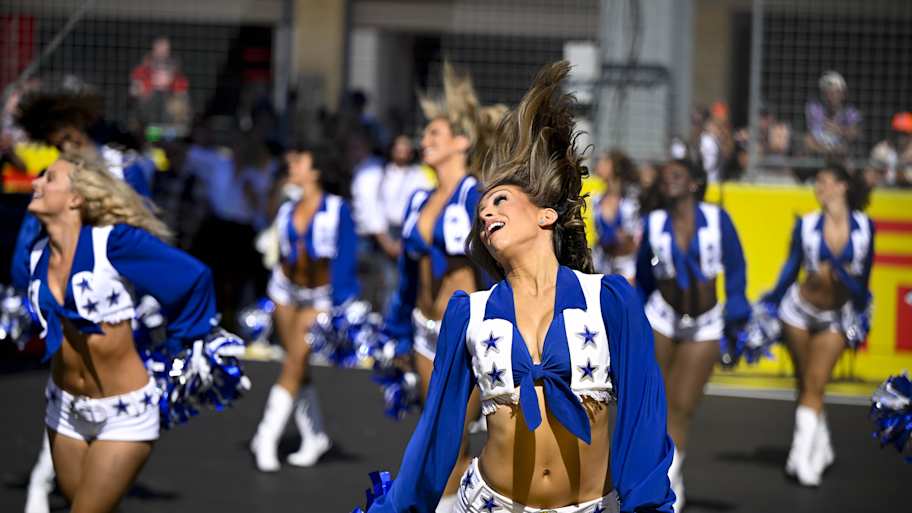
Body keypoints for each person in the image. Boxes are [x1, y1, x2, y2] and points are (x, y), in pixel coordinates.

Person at [361, 61, 673, 513]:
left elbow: (644, 420)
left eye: (499, 201)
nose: (486, 215)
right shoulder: (470, 313)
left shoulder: (608, 301)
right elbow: (436, 432)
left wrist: (648, 507)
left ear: (546, 215)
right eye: (481, 212)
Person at [24, 152, 218, 513]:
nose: (36, 183)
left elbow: (193, 278)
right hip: (63, 408)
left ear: (75, 198)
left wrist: (179, 348)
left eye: (48, 178)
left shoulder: (112, 243)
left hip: (124, 412)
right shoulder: (35, 254)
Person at [383, 62, 503, 511]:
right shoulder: (418, 197)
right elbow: (408, 276)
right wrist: (395, 330)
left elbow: (498, 268)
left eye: (435, 134)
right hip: (421, 330)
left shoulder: (477, 196)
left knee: (448, 446)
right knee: (435, 443)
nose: (425, 141)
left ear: (462, 142)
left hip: (463, 335)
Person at [635, 155, 749, 511]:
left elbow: (736, 266)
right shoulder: (653, 223)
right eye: (665, 175)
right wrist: (633, 323)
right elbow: (644, 277)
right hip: (662, 319)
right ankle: (654, 475)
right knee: (655, 404)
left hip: (706, 323)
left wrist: (737, 310)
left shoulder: (717, 220)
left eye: (677, 175)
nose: (669, 180)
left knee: (682, 406)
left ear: (694, 183)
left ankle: (671, 479)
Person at [759, 162, 874, 487]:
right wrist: (769, 301)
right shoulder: (807, 225)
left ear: (842, 186)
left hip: (836, 317)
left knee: (816, 381)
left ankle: (800, 457)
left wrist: (857, 298)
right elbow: (791, 268)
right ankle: (819, 446)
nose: (818, 188)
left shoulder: (865, 227)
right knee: (806, 381)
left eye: (824, 182)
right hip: (798, 311)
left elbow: (864, 279)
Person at [249, 143, 359, 472]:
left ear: (316, 171)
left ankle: (265, 437)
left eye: (298, 162)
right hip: (285, 292)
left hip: (320, 297)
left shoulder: (337, 209)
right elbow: (275, 242)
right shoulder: (286, 205)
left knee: (294, 362)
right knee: (298, 366)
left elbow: (346, 257)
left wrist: (342, 304)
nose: (291, 168)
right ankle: (315, 436)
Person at [590, 150, 641, 282]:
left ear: (615, 167)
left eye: (605, 161)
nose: (599, 164)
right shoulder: (596, 199)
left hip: (626, 269)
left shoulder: (630, 201)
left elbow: (634, 241)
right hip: (601, 267)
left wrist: (619, 240)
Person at [804, 71, 861, 158]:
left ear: (843, 94)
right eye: (829, 93)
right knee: (807, 142)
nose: (832, 96)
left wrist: (838, 130)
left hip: (840, 152)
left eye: (837, 92)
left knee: (844, 149)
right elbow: (811, 134)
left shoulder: (850, 112)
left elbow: (854, 134)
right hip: (819, 150)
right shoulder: (814, 109)